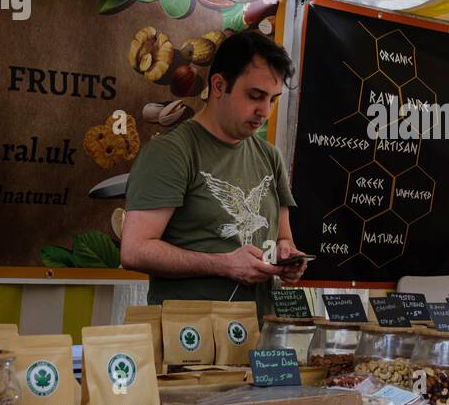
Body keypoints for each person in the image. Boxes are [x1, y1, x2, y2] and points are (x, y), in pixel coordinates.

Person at [120, 30, 308, 313]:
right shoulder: (173, 152)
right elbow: (135, 251)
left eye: (273, 99)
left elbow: (283, 238)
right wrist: (225, 265)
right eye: (255, 96)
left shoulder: (270, 157)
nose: (265, 111)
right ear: (219, 85)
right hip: (191, 341)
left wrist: (288, 258)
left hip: (262, 339)